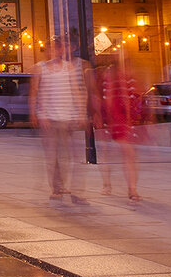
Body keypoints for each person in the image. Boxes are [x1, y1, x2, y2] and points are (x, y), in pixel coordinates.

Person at [29, 37, 97, 202]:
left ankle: (66, 186)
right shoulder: (40, 68)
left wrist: (81, 114)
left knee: (66, 155)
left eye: (57, 48)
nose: (54, 52)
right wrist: (36, 113)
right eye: (51, 49)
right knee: (53, 155)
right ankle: (57, 188)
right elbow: (35, 92)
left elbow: (77, 91)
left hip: (67, 117)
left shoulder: (70, 68)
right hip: (49, 118)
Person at [99, 57, 143, 201]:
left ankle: (113, 186)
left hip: (118, 120)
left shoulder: (119, 77)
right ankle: (130, 189)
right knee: (128, 154)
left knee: (117, 153)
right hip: (119, 119)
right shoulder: (115, 77)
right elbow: (114, 98)